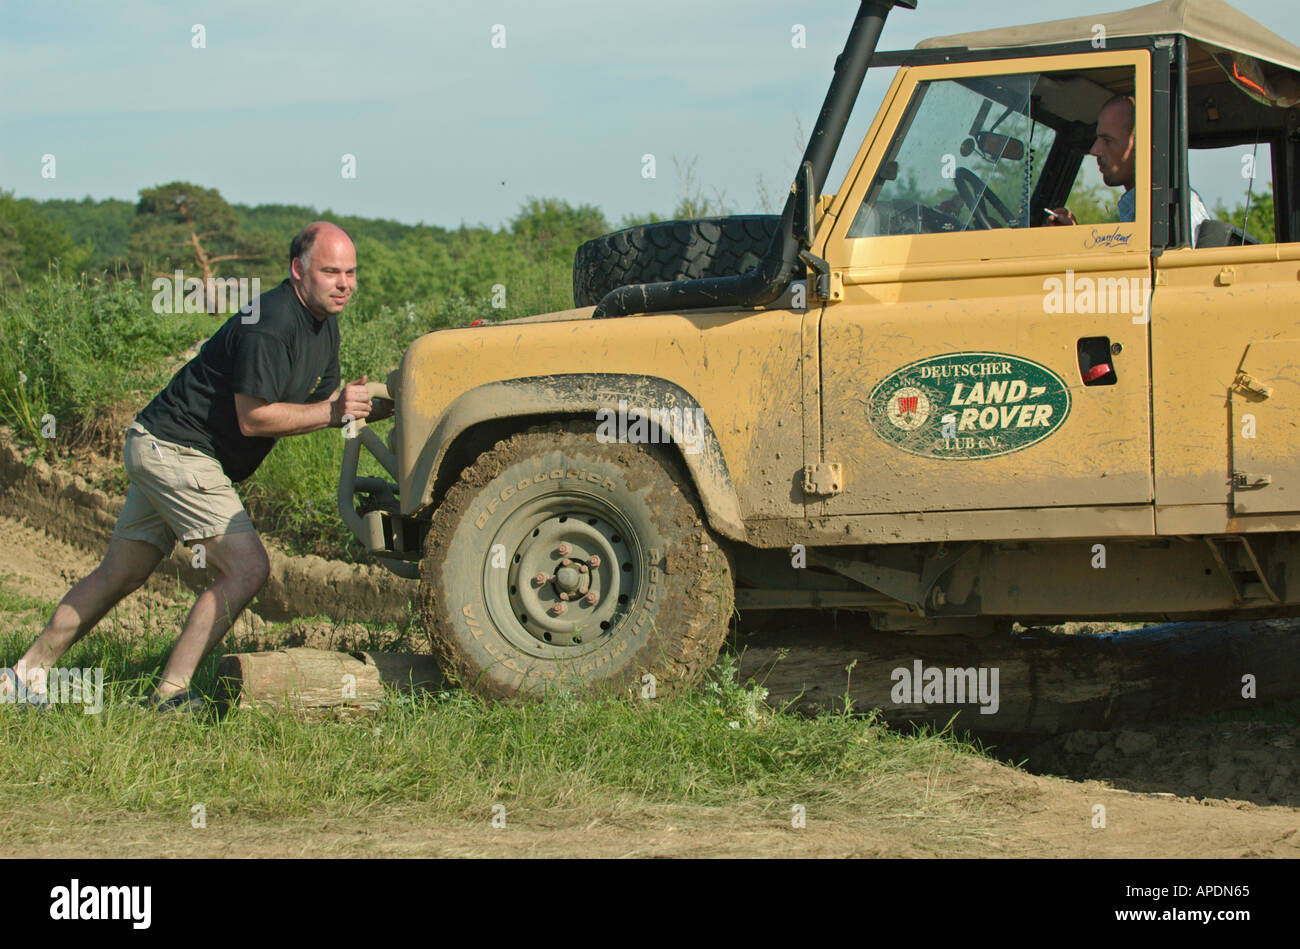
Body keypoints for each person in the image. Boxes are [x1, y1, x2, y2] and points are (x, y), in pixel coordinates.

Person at [3, 221, 390, 711]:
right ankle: (170, 696)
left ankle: (21, 676)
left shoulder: (323, 325)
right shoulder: (269, 322)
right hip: (177, 451)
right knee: (248, 568)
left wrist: (371, 406)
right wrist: (336, 411)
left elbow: (318, 405)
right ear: (298, 270)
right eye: (331, 271)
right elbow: (255, 419)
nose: (344, 283)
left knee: (118, 575)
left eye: (351, 272)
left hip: (161, 445)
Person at [1049, 94, 1208, 244]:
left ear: (1143, 145)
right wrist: (1076, 239)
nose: (1094, 150)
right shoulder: (1144, 207)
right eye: (1097, 139)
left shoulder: (1172, 211)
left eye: (1107, 140)